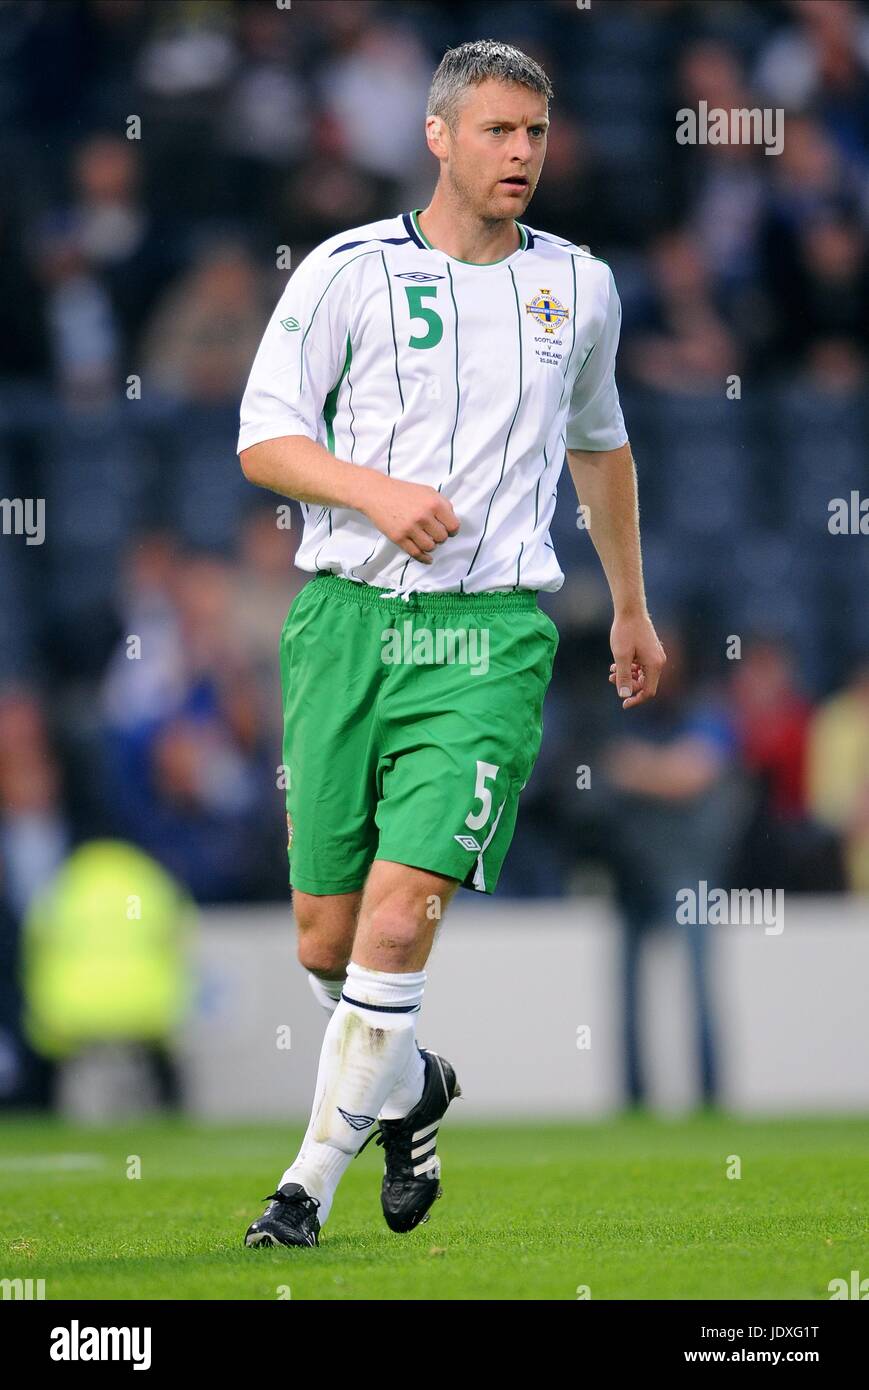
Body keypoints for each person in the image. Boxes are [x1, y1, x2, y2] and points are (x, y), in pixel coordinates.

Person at [236, 39, 666, 1249]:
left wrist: (628, 604)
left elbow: (601, 444)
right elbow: (264, 439)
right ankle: (415, 1088)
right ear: (437, 136)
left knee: (396, 915)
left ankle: (303, 1188)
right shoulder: (344, 271)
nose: (521, 152)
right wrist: (374, 494)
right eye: (496, 131)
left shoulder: (577, 286)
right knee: (327, 936)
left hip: (487, 636)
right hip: (341, 624)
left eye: (534, 132)